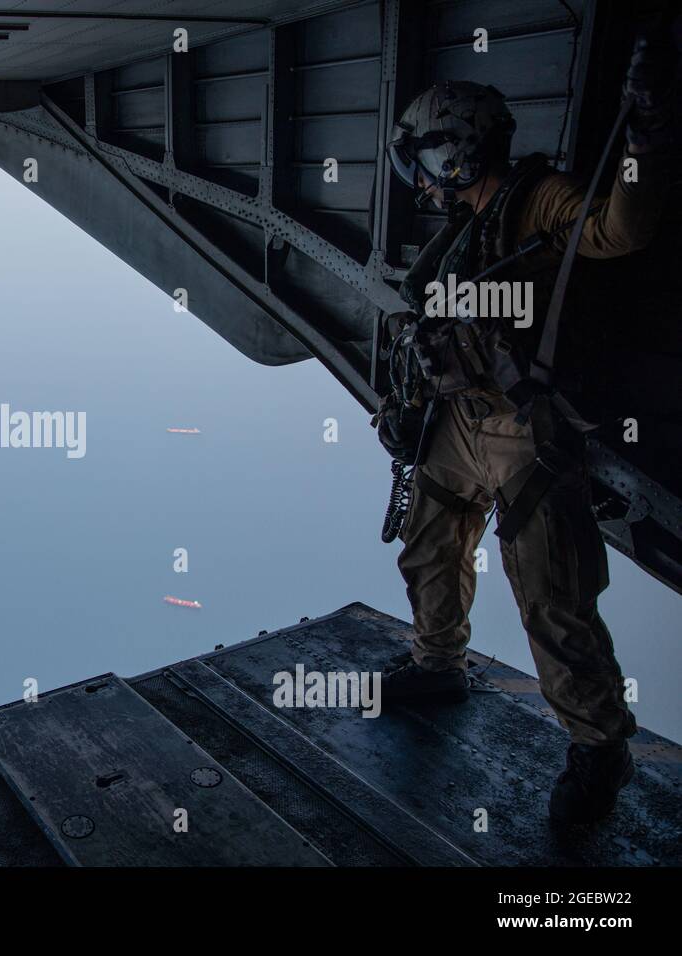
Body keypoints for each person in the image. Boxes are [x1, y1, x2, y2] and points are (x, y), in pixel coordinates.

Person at [375, 50, 677, 825]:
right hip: (459, 414)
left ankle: (598, 748)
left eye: (431, 158)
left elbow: (618, 229)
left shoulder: (535, 200)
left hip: (522, 428)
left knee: (553, 598)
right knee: (427, 544)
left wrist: (645, 140)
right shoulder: (472, 227)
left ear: (459, 148)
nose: (427, 178)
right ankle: (437, 663)